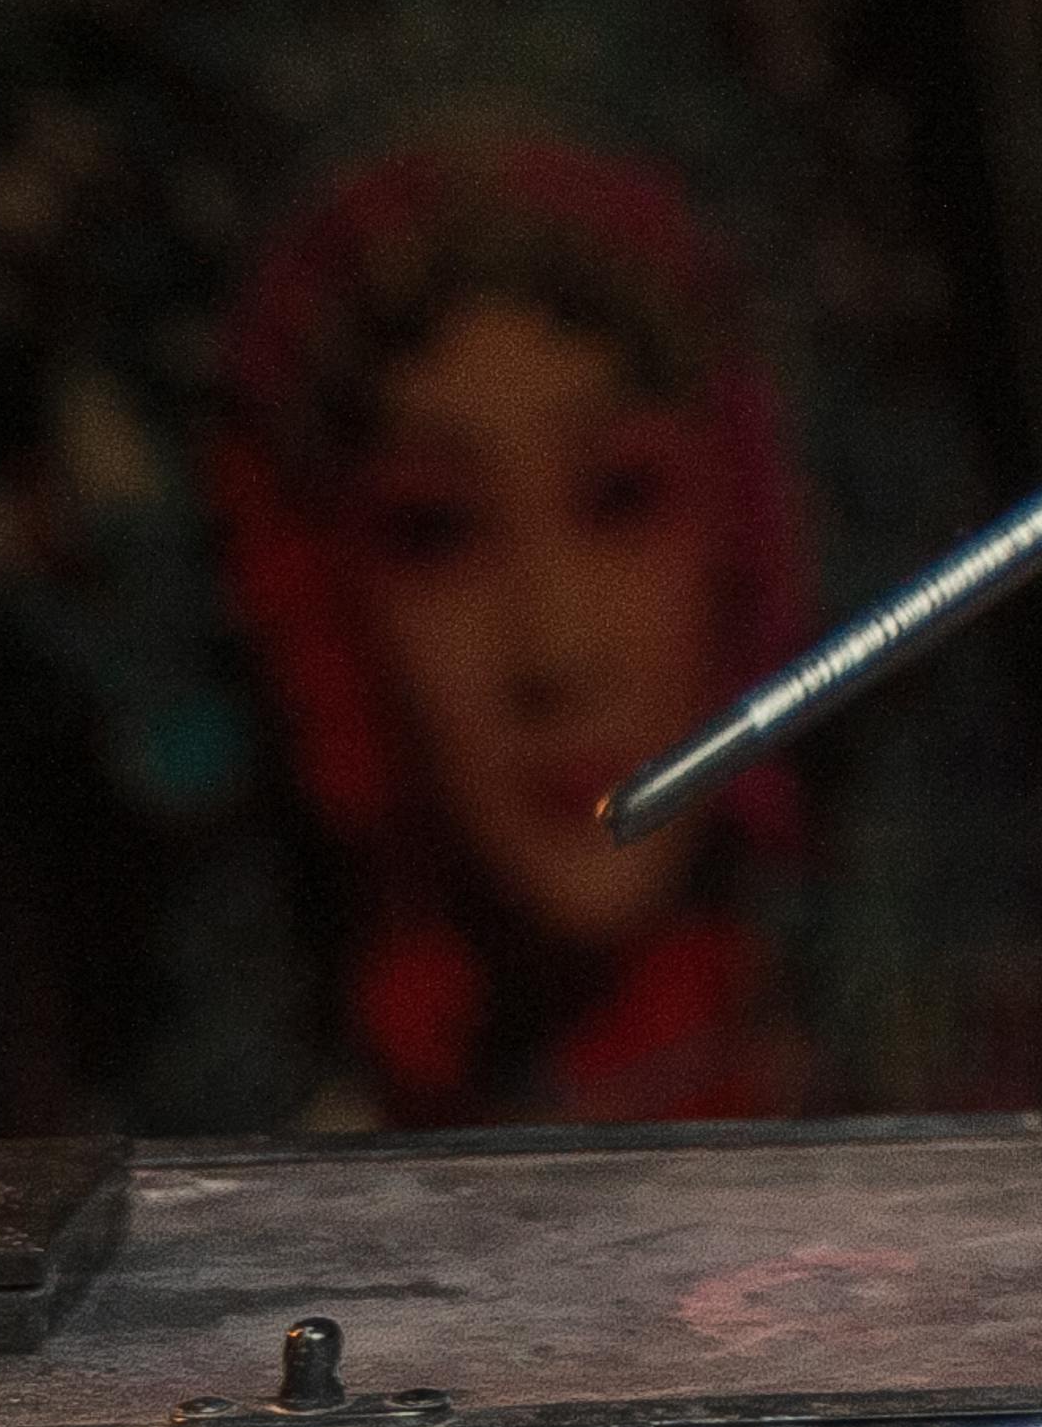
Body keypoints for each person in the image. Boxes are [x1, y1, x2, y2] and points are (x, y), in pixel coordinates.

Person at [205, 134, 813, 1126]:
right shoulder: (279, 1177)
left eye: (621, 496)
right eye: (434, 530)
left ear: (746, 539)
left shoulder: (955, 1086)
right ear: (320, 611)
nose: (554, 652)